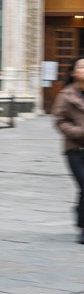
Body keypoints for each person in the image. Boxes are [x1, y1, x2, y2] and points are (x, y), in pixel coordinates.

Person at [52, 55, 84, 245]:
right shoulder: (65, 96)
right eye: (81, 67)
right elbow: (59, 121)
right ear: (73, 72)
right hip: (75, 149)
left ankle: (80, 213)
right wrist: (78, 131)